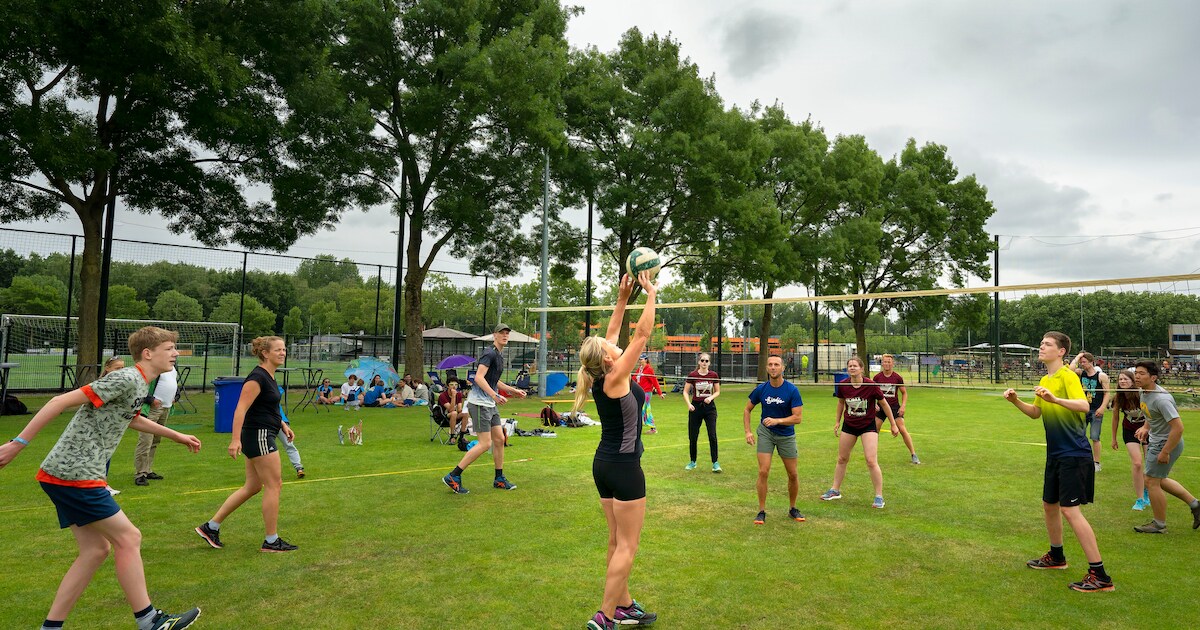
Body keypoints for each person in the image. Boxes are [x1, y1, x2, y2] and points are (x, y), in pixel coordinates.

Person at [0, 326, 203, 630]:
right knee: (129, 538)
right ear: (148, 353)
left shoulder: (137, 383)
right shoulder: (124, 377)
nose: (176, 353)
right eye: (170, 348)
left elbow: (130, 418)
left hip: (66, 473)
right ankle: (149, 621)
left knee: (96, 550)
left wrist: (174, 435)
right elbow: (58, 403)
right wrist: (18, 444)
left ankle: (50, 627)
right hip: (75, 473)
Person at [572, 272, 659, 630]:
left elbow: (612, 334)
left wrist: (623, 298)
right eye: (611, 348)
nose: (614, 344)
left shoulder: (598, 372)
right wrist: (651, 293)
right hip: (624, 469)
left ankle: (623, 605)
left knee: (615, 539)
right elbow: (642, 334)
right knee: (628, 546)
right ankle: (605, 616)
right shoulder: (617, 375)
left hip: (604, 466)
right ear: (609, 359)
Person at [1004, 331, 1113, 593]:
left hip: (1074, 453)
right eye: (1041, 343)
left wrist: (1055, 399)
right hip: (1055, 453)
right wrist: (1016, 400)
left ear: (1061, 352)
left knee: (1070, 510)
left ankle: (1100, 575)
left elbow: (1083, 406)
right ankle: (1056, 557)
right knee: (1049, 505)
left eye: (1047, 344)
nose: (1041, 347)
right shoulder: (1045, 378)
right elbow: (1036, 413)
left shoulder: (1068, 376)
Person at [196, 336, 298, 553]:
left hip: (264, 432)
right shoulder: (257, 377)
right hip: (259, 435)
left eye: (284, 349)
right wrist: (234, 440)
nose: (283, 353)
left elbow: (265, 407)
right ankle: (271, 541)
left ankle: (210, 527)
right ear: (265, 353)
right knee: (274, 485)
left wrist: (282, 425)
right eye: (278, 350)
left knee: (253, 487)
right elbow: (241, 408)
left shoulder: (269, 376)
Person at [442, 323, 528, 494]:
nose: (505, 336)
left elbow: (494, 381)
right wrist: (494, 395)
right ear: (494, 335)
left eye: (507, 333)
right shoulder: (489, 353)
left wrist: (512, 390)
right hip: (480, 404)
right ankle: (453, 475)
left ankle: (499, 478)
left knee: (499, 440)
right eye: (502, 333)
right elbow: (479, 378)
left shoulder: (499, 355)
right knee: (485, 443)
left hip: (489, 404)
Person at [1130, 360, 1200, 533]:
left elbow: (1178, 427)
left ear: (1153, 377)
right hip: (1157, 440)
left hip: (1166, 443)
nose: (1137, 376)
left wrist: (1165, 451)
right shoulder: (1144, 392)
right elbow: (1151, 414)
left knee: (1151, 481)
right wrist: (1146, 427)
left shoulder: (1162, 399)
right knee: (1158, 480)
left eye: (1142, 373)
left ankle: (1159, 525)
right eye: (1136, 372)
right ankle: (1196, 505)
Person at [822, 356, 894, 509]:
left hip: (868, 425)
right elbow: (841, 403)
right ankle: (835, 490)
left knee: (871, 460)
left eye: (855, 366)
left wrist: (893, 424)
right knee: (842, 458)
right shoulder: (842, 385)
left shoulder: (871, 385)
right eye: (850, 366)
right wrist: (837, 421)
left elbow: (884, 404)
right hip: (849, 425)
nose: (852, 368)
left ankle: (879, 496)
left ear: (862, 369)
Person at [744, 355, 805, 524]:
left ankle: (792, 508)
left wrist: (778, 420)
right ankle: (761, 511)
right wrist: (748, 432)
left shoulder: (792, 390)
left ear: (782, 368)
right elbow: (747, 409)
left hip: (786, 435)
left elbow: (797, 418)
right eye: (770, 364)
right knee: (763, 471)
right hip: (766, 433)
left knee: (792, 474)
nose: (773, 367)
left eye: (776, 364)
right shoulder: (762, 389)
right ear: (766, 368)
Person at [1110, 370, 1149, 511]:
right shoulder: (1118, 397)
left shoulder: (1141, 394)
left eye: (1126, 379)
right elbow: (1115, 418)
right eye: (1120, 379)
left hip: (1147, 429)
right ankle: (1139, 499)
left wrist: (1146, 428)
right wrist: (1114, 438)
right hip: (1129, 430)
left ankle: (1147, 491)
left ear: (1132, 381)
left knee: (1149, 463)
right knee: (1137, 463)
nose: (1122, 381)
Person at [133, 366, 177, 487]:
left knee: (155, 440)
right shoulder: (154, 367)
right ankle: (140, 474)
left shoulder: (172, 367)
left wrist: (175, 397)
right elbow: (141, 387)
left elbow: (173, 383)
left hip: (165, 408)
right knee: (145, 440)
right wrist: (150, 399)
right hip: (153, 409)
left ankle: (148, 470)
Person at [873, 354, 920, 464]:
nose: (887, 364)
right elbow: (871, 393)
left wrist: (903, 406)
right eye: (885, 362)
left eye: (889, 362)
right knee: (874, 430)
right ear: (882, 363)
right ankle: (872, 455)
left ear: (892, 363)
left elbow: (904, 393)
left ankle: (914, 454)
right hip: (880, 408)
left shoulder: (897, 377)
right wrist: (873, 404)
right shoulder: (877, 378)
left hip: (894, 408)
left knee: (902, 430)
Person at [1070, 352, 1111, 472]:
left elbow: (1107, 393)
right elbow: (1071, 369)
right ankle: (1079, 459)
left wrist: (1103, 407)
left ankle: (1096, 462)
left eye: (1084, 362)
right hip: (1082, 409)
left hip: (1096, 409)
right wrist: (1077, 357)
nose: (1082, 364)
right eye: (1081, 362)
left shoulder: (1101, 376)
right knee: (1078, 435)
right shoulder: (1080, 373)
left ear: (1091, 362)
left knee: (1094, 436)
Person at [683, 352, 720, 472]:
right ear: (699, 362)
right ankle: (692, 461)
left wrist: (711, 398)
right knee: (693, 436)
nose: (704, 363)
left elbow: (717, 391)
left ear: (709, 363)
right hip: (695, 408)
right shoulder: (692, 375)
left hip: (709, 409)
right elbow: (685, 391)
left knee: (712, 435)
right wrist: (689, 404)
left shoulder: (713, 375)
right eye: (702, 360)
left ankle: (715, 463)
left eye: (706, 361)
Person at [101, 356, 125, 497]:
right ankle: (102, 485)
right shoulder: (102, 385)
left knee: (106, 456)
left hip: (112, 428)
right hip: (101, 428)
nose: (120, 372)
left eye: (122, 368)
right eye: (117, 369)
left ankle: (103, 484)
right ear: (107, 368)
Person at [277, 385, 305, 479]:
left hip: (281, 422)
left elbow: (280, 391)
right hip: (265, 423)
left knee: (289, 444)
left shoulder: (275, 388)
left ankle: (299, 468)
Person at [633, 355, 664, 435]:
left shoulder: (649, 369)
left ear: (646, 360)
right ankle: (639, 425)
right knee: (640, 409)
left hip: (646, 393)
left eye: (642, 359)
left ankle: (653, 428)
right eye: (639, 359)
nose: (640, 361)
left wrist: (660, 393)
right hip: (640, 392)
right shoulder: (640, 369)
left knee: (645, 409)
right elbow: (634, 378)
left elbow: (654, 381)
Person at [438, 379, 467, 443]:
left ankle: (461, 436)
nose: (454, 386)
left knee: (465, 413)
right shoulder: (443, 396)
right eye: (451, 385)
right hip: (443, 417)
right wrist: (453, 396)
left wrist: (466, 407)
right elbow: (451, 410)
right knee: (454, 413)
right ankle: (452, 436)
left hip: (455, 415)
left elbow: (459, 409)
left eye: (456, 385)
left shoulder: (459, 394)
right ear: (448, 386)